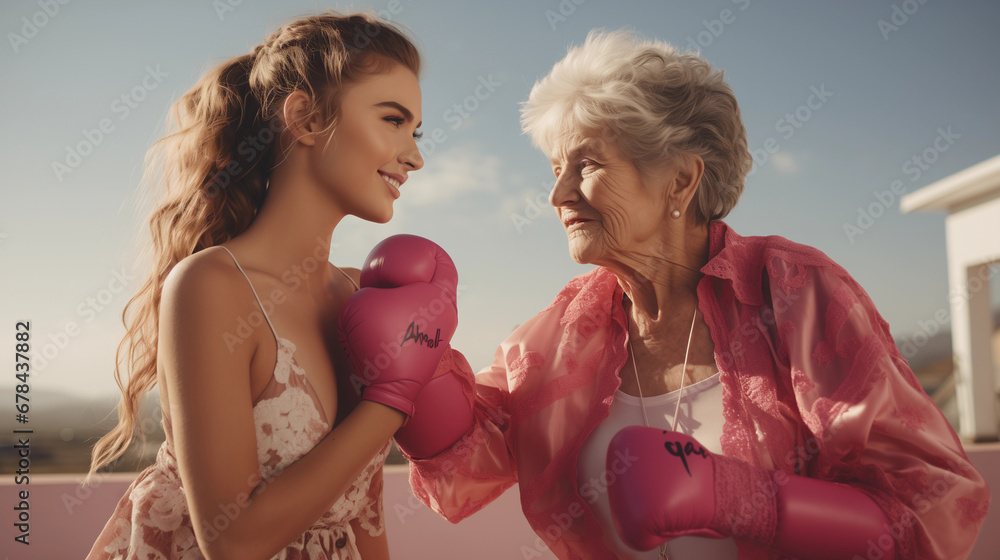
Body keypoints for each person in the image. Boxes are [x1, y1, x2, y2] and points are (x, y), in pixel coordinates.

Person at [373, 29, 991, 559]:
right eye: (554, 170)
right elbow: (467, 462)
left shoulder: (796, 294)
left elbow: (931, 509)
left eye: (585, 165)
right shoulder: (564, 329)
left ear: (681, 178)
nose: (558, 195)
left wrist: (741, 498)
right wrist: (413, 360)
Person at [85, 12, 458, 560]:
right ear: (306, 118)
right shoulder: (211, 286)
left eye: (415, 130)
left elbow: (363, 510)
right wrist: (392, 398)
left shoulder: (363, 294)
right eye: (393, 120)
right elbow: (232, 542)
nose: (416, 156)